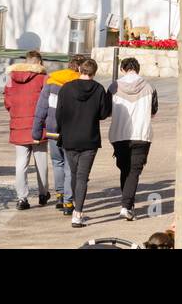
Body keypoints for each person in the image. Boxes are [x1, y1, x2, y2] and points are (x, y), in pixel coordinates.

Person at [55, 55, 114, 228]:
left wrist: (61, 130)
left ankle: (73, 205)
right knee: (82, 177)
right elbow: (103, 114)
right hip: (89, 138)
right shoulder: (98, 89)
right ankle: (78, 214)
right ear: (94, 73)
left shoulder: (66, 88)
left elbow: (59, 114)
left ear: (80, 70)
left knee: (74, 175)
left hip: (69, 138)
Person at [33, 54, 84, 216]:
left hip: (53, 130)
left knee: (57, 162)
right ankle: (69, 201)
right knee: (70, 167)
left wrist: (36, 131)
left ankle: (59, 195)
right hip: (72, 131)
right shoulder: (81, 84)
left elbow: (41, 108)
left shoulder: (52, 80)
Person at [108, 57, 158, 221]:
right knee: (133, 172)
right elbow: (153, 111)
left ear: (122, 69)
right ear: (138, 69)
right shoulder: (149, 87)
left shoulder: (114, 87)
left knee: (125, 170)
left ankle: (127, 205)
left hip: (119, 134)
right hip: (141, 134)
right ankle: (126, 206)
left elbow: (107, 109)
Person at [4, 50, 49, 210]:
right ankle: (43, 193)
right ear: (39, 63)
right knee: (41, 161)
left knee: (21, 163)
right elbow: (47, 102)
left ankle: (22, 198)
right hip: (39, 125)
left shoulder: (10, 79)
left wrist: (15, 113)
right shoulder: (43, 78)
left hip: (18, 126)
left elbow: (7, 101)